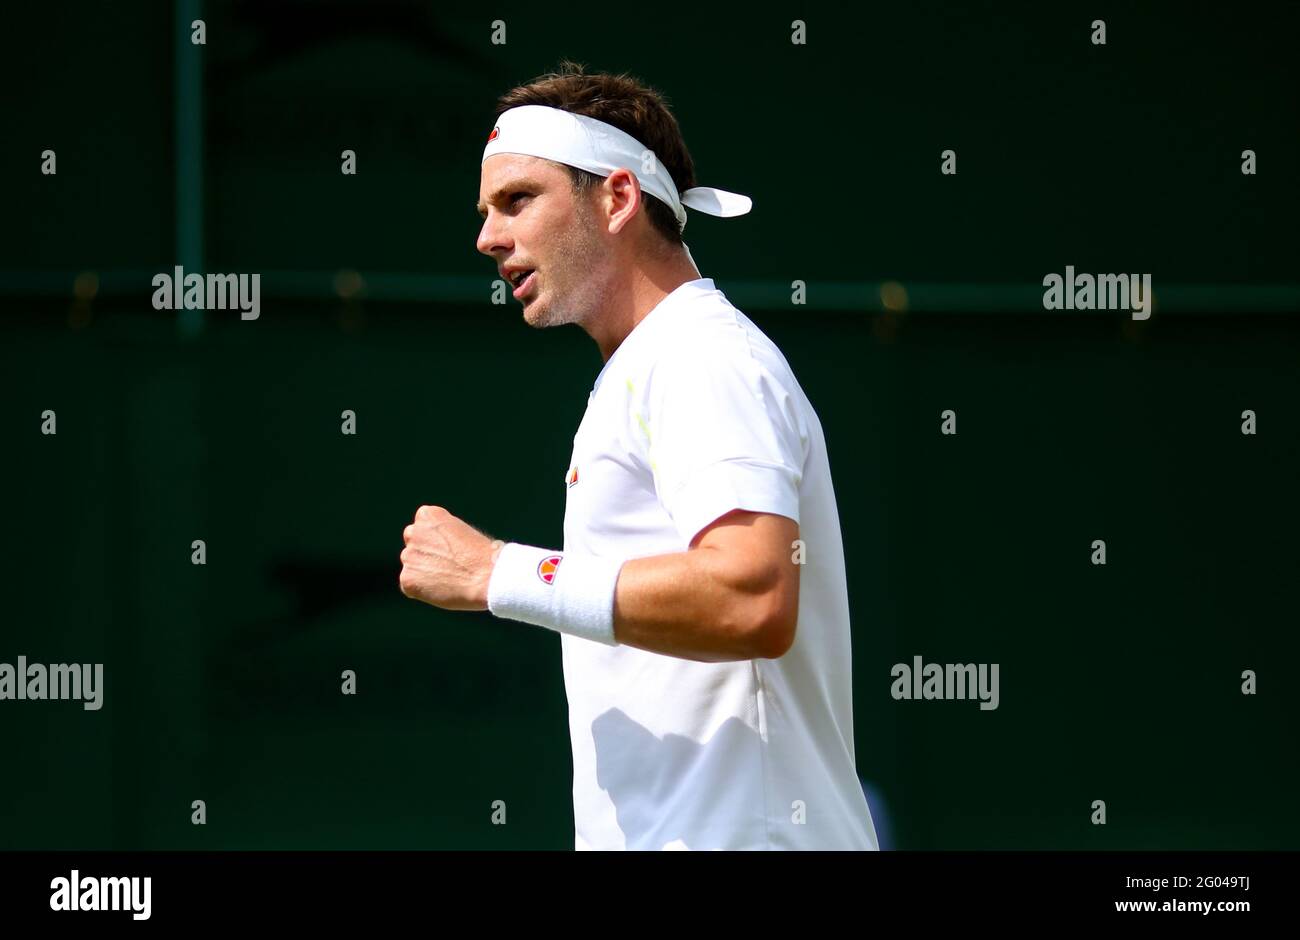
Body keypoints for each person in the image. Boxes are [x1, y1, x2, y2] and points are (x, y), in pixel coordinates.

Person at [399, 62, 878, 851]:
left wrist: (499, 575)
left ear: (617, 198)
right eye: (487, 210)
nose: (487, 236)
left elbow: (751, 593)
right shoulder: (652, 366)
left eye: (518, 199)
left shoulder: (697, 356)